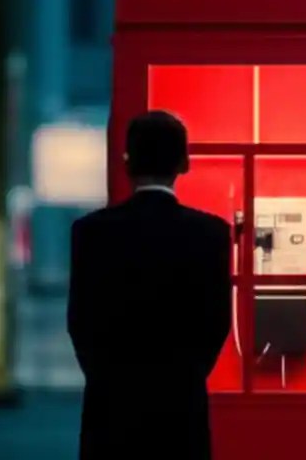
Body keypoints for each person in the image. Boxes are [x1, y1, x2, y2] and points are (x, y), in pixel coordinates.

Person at [67, 110, 232, 459]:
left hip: (111, 404)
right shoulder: (211, 233)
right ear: (184, 164)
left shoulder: (91, 231)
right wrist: (186, 375)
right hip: (180, 403)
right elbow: (217, 322)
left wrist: (105, 377)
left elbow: (80, 322)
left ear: (128, 163)